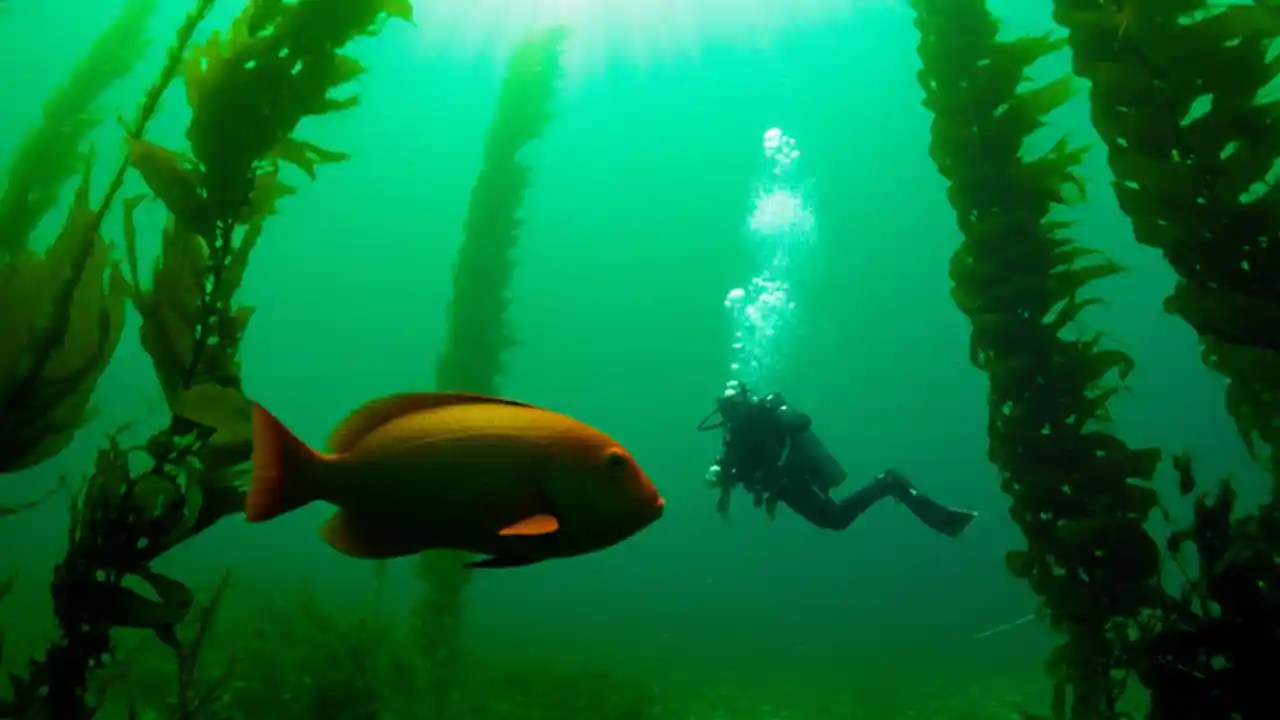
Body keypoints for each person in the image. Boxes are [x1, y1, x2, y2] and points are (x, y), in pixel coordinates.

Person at [696, 380, 977, 537]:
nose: (727, 413)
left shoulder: (754, 422)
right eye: (726, 407)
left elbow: (747, 461)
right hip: (787, 484)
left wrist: (723, 471)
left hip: (792, 483)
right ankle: (890, 485)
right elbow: (742, 462)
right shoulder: (742, 428)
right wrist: (723, 469)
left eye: (730, 407)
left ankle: (889, 483)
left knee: (836, 520)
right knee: (835, 519)